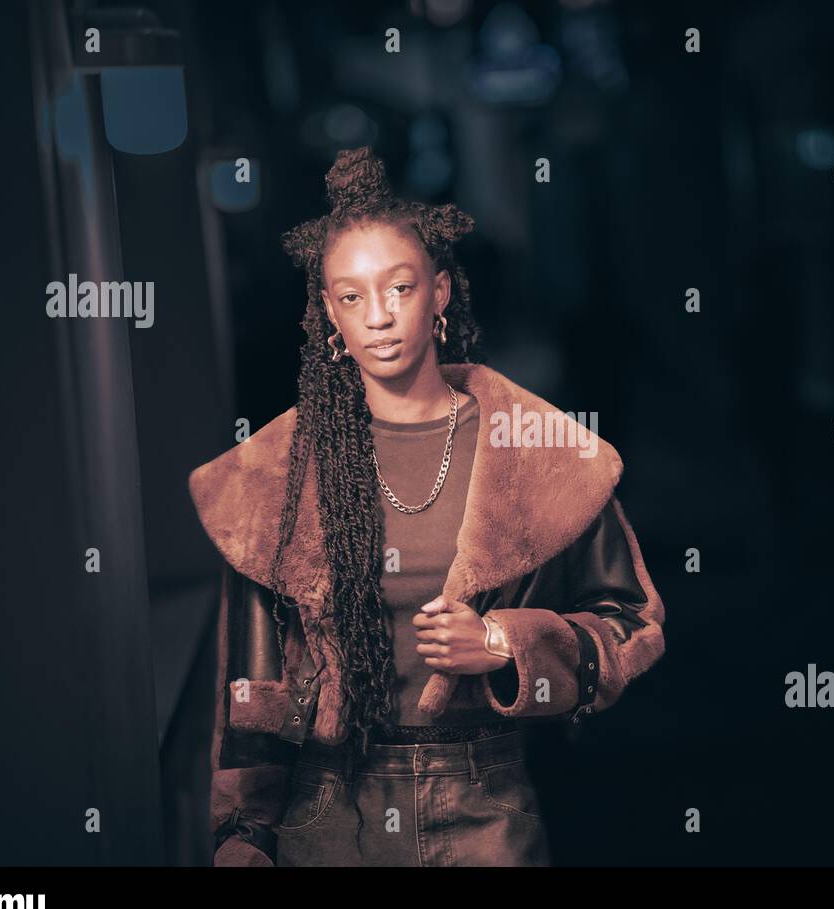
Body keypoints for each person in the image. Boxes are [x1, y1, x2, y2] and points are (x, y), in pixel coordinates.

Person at [187, 145, 666, 866]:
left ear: (439, 292)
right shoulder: (275, 475)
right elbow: (252, 684)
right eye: (351, 296)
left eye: (400, 288)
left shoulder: (536, 448)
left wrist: (506, 643)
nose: (378, 316)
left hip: (484, 800)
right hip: (327, 811)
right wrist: (241, 831)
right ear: (328, 313)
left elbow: (633, 623)